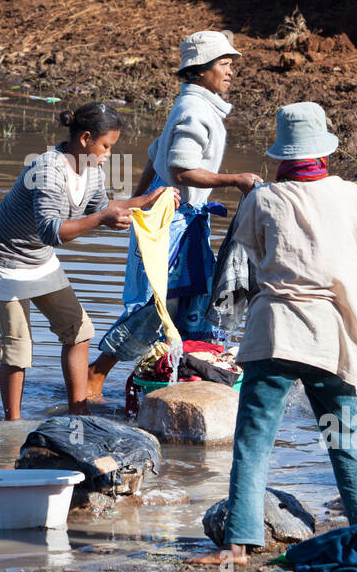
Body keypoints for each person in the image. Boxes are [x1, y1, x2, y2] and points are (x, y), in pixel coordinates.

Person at [188, 102, 357, 565]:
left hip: (273, 333)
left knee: (253, 441)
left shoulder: (263, 198)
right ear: (323, 151)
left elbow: (252, 247)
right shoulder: (350, 195)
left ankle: (238, 546)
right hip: (329, 334)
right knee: (345, 437)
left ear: (282, 154)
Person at [86, 31, 261, 400]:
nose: (230, 72)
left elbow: (154, 155)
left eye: (231, 65)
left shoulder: (192, 104)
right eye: (224, 65)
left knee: (189, 300)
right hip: (172, 224)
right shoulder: (194, 109)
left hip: (177, 220)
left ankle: (174, 379)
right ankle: (96, 374)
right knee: (157, 305)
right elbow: (181, 170)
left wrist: (138, 200)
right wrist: (236, 180)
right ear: (200, 71)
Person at [0, 102, 176, 420]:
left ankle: (78, 410)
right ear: (85, 138)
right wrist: (101, 218)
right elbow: (52, 231)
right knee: (18, 347)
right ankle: (11, 426)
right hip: (5, 259)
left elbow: (101, 206)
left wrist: (148, 200)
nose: (109, 153)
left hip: (38, 258)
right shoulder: (48, 170)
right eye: (106, 145)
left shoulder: (92, 169)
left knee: (79, 330)